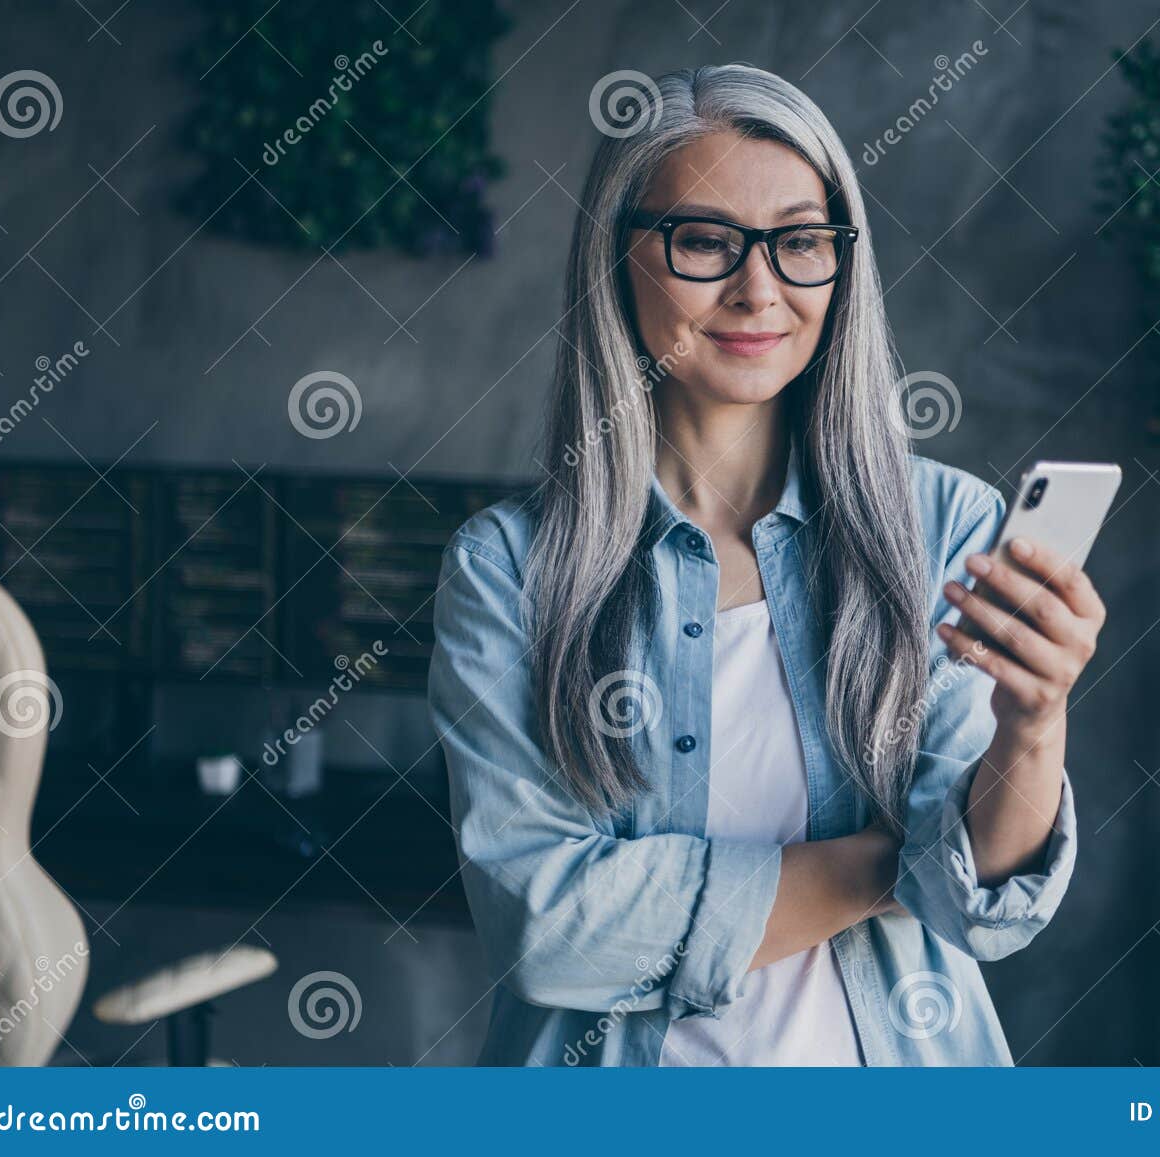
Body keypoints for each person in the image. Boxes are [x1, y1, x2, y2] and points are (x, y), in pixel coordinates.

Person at [427, 63, 1105, 1066]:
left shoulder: (945, 525)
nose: (759, 289)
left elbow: (982, 906)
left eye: (800, 242)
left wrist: (1033, 722)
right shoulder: (507, 568)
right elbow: (549, 930)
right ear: (617, 257)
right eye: (705, 240)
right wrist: (901, 859)